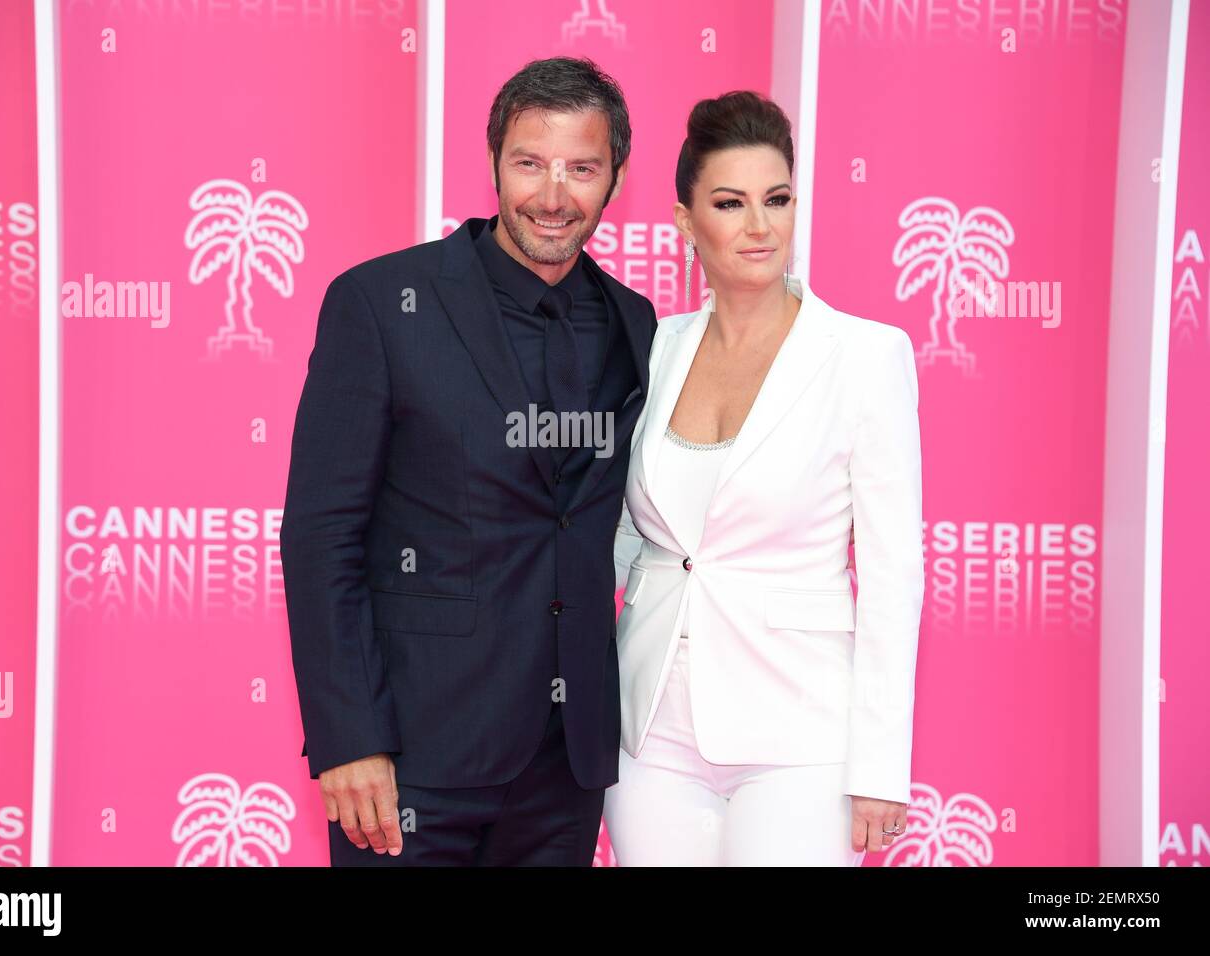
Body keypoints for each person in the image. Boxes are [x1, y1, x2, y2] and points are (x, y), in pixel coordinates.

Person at [279, 57, 656, 866]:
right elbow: (321, 535)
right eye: (529, 162)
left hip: (566, 769)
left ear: (616, 179)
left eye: (581, 168)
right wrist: (348, 738)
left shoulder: (636, 325)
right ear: (492, 164)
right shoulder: (382, 305)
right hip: (412, 759)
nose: (553, 196)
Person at [605, 91, 924, 866]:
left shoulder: (864, 356)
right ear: (686, 223)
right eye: (731, 202)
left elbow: (891, 576)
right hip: (649, 733)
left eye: (777, 199)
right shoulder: (654, 347)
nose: (760, 225)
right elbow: (619, 537)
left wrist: (881, 767)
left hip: (802, 736)